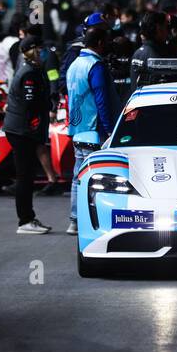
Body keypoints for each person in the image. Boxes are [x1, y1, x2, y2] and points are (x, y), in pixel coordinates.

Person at [66, 24, 120, 236]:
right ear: (99, 43)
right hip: (93, 130)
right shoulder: (96, 66)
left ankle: (74, 220)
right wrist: (108, 130)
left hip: (76, 129)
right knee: (95, 178)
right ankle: (93, 223)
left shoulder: (74, 64)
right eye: (106, 42)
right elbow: (101, 100)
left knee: (77, 176)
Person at [3, 37, 54, 234]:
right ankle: (25, 220)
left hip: (23, 129)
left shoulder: (33, 70)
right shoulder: (29, 73)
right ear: (32, 50)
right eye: (40, 48)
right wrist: (47, 107)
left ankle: (28, 217)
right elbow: (31, 104)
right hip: (21, 130)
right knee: (25, 177)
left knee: (27, 175)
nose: (44, 52)